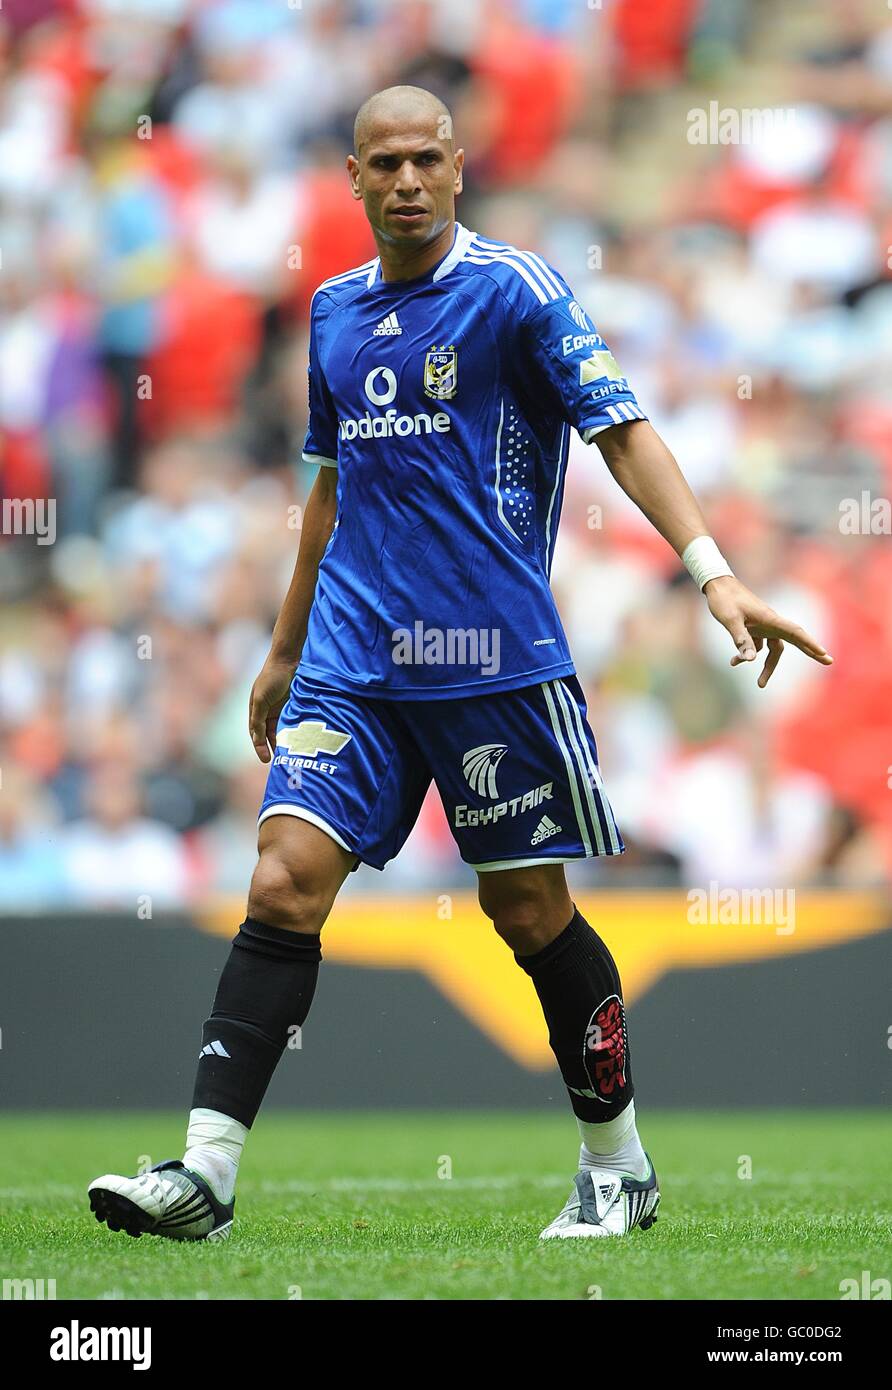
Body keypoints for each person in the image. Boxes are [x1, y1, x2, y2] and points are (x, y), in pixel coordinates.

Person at [88, 86, 832, 1243]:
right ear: (351, 178)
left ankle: (617, 1168)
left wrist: (712, 570)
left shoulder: (517, 292)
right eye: (382, 163)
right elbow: (328, 492)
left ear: (459, 166)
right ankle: (204, 1174)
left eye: (425, 158)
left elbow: (621, 428)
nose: (405, 181)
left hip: (489, 658)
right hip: (352, 660)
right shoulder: (332, 315)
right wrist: (284, 649)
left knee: (526, 908)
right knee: (283, 877)